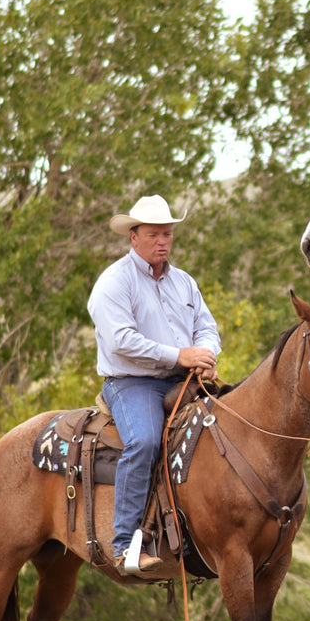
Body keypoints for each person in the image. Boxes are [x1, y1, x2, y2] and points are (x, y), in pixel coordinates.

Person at [88, 194, 221, 574]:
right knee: (144, 441)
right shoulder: (114, 282)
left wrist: (206, 355)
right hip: (133, 383)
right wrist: (181, 355)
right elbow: (121, 341)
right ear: (133, 237)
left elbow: (207, 327)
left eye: (167, 234)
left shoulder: (184, 282)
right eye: (153, 234)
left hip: (185, 379)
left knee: (231, 427)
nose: (162, 241)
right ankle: (125, 545)